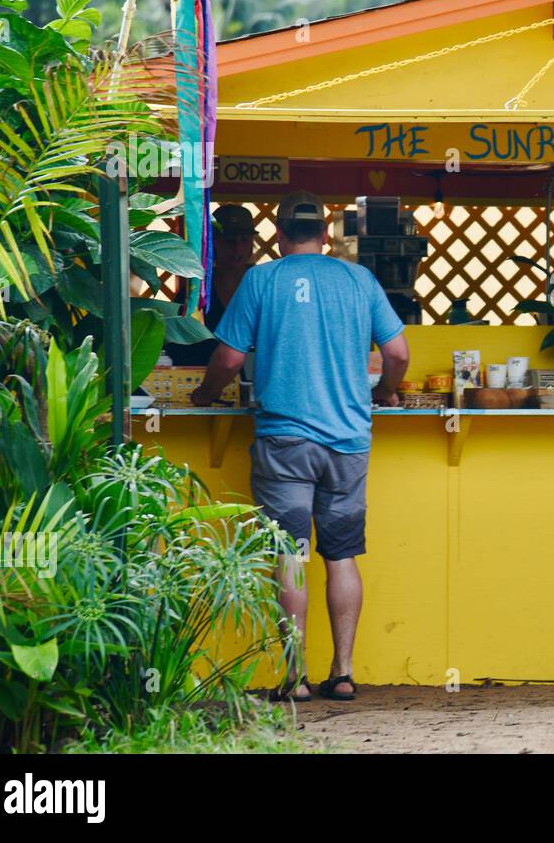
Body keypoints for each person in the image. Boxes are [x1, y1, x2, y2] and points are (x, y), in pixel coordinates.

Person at [190, 190, 410, 701]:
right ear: (325, 231)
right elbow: (397, 352)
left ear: (281, 232)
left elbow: (226, 360)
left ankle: (295, 679)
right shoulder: (359, 279)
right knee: (341, 554)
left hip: (284, 440)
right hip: (348, 441)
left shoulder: (262, 280)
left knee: (290, 554)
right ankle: (345, 672)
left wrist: (204, 394)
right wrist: (387, 390)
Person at [166, 204, 258, 367]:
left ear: (252, 242)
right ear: (214, 242)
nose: (237, 248)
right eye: (230, 241)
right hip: (201, 382)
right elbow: (174, 347)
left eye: (244, 240)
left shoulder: (262, 287)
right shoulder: (195, 293)